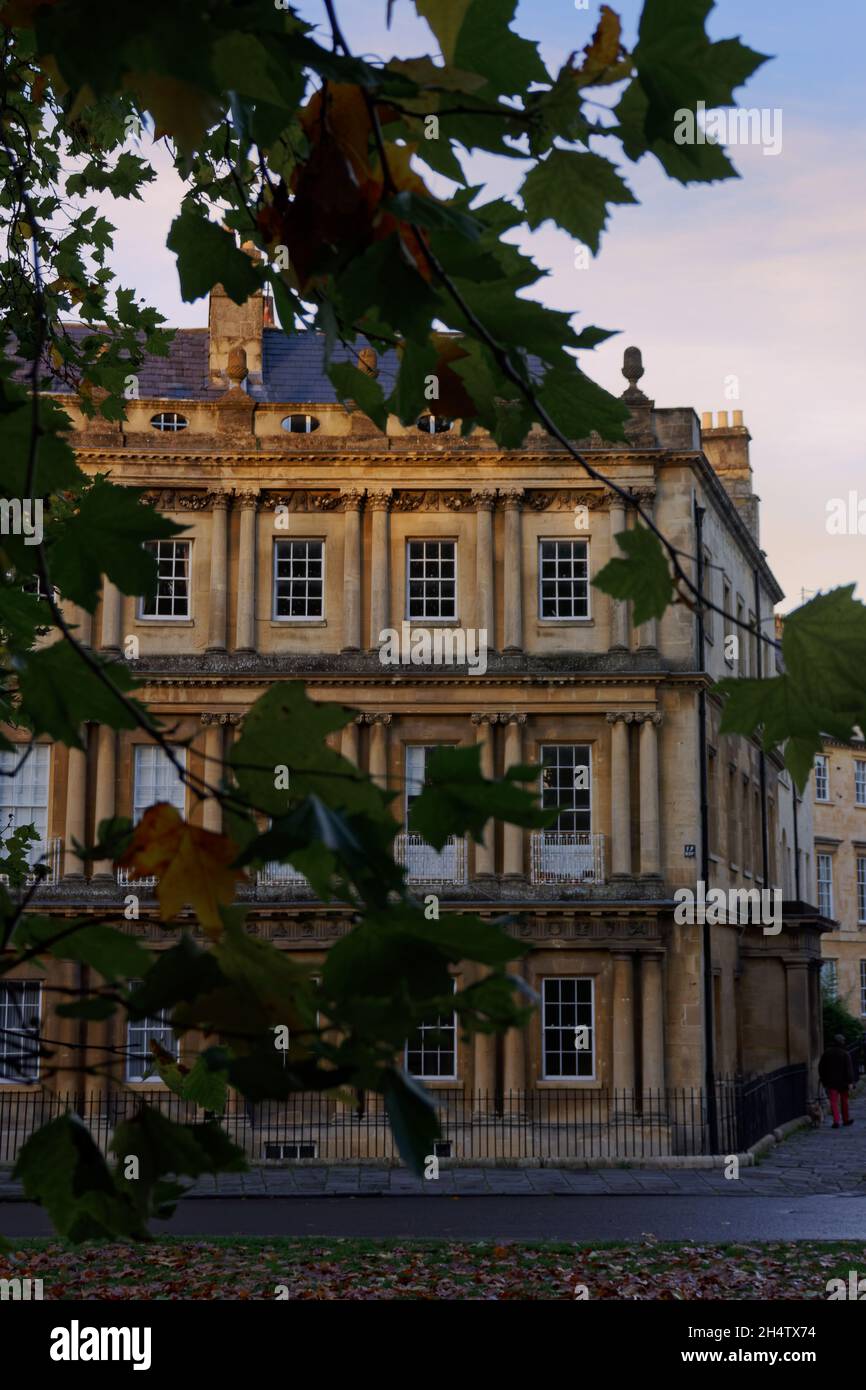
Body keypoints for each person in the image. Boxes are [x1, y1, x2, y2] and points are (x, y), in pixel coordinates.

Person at [818, 1034, 855, 1128]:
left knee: (833, 1102)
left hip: (831, 1082)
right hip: (843, 1082)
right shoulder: (845, 1053)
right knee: (844, 1101)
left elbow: (821, 1067)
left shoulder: (827, 1053)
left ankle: (836, 1121)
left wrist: (823, 1079)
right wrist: (850, 1082)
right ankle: (846, 1120)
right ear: (841, 1042)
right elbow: (849, 1069)